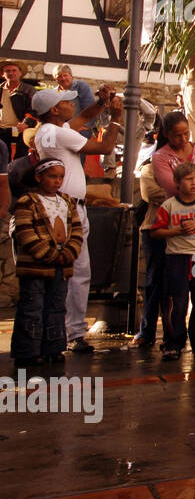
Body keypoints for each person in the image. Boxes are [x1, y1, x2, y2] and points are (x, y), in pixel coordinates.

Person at [32, 87, 122, 353]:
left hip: (66, 207)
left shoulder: (50, 130)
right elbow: (104, 146)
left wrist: (101, 103)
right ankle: (72, 332)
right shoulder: (59, 133)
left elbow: (83, 117)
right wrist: (115, 118)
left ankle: (62, 331)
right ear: (54, 110)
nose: (72, 104)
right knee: (77, 271)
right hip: (67, 210)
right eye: (66, 102)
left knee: (71, 271)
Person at [9, 158, 83, 370]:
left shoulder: (67, 201)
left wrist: (69, 252)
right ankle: (28, 351)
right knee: (32, 307)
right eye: (52, 176)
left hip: (62, 265)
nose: (57, 181)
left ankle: (53, 347)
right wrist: (49, 254)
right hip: (36, 266)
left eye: (60, 177)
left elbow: (76, 230)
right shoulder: (27, 202)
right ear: (38, 177)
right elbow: (25, 232)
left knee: (57, 306)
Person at [152, 162, 195, 361]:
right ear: (177, 183)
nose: (194, 183)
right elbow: (156, 231)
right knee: (177, 301)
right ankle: (173, 342)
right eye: (189, 179)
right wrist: (176, 231)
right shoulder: (169, 205)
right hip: (177, 257)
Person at [133, 159, 168, 348]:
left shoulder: (192, 163)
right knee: (154, 280)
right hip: (155, 228)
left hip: (190, 235)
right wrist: (183, 192)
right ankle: (147, 330)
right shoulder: (150, 168)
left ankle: (176, 332)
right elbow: (150, 194)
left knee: (190, 283)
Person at [1, 60, 38, 160]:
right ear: (3, 74)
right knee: (2, 159)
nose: (11, 73)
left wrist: (26, 123)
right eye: (7, 71)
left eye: (14, 70)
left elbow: (35, 109)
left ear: (20, 73)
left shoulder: (29, 90)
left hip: (21, 130)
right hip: (1, 130)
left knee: (20, 159)